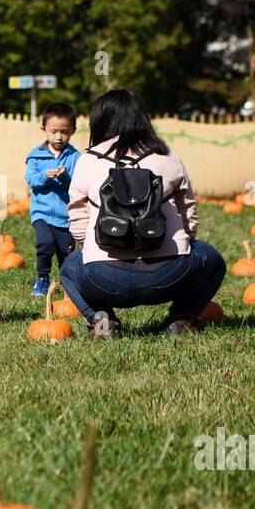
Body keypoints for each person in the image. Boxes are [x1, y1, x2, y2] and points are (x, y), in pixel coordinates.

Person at [60, 88, 226, 339]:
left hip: (104, 278)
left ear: (100, 120)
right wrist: (184, 242)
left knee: (69, 266)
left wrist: (92, 248)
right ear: (142, 118)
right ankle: (182, 318)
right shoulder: (168, 156)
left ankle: (101, 321)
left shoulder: (87, 161)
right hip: (170, 275)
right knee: (213, 260)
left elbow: (77, 220)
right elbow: (188, 211)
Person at [25, 102, 80, 296]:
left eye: (64, 131)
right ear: (44, 130)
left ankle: (67, 284)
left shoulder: (75, 157)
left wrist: (64, 177)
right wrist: (44, 176)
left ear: (73, 130)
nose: (59, 137)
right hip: (41, 213)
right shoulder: (36, 156)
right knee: (45, 244)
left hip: (65, 216)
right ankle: (42, 279)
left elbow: (77, 185)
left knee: (66, 252)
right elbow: (31, 180)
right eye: (54, 131)